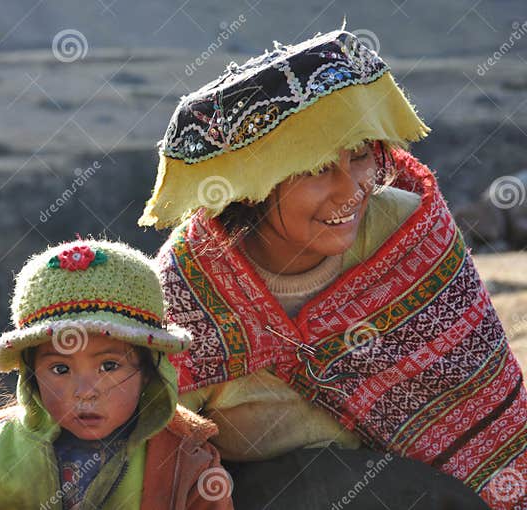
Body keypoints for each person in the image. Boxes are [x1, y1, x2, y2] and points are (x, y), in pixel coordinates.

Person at [139, 29, 524, 509]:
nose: (352, 189)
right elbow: (156, 455)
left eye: (359, 155)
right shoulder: (185, 289)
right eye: (317, 168)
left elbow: (489, 419)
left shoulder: (412, 236)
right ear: (249, 188)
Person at [0, 239, 234, 509]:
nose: (85, 391)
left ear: (150, 370)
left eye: (109, 366)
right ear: (30, 376)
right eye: (60, 369)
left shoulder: (184, 461)